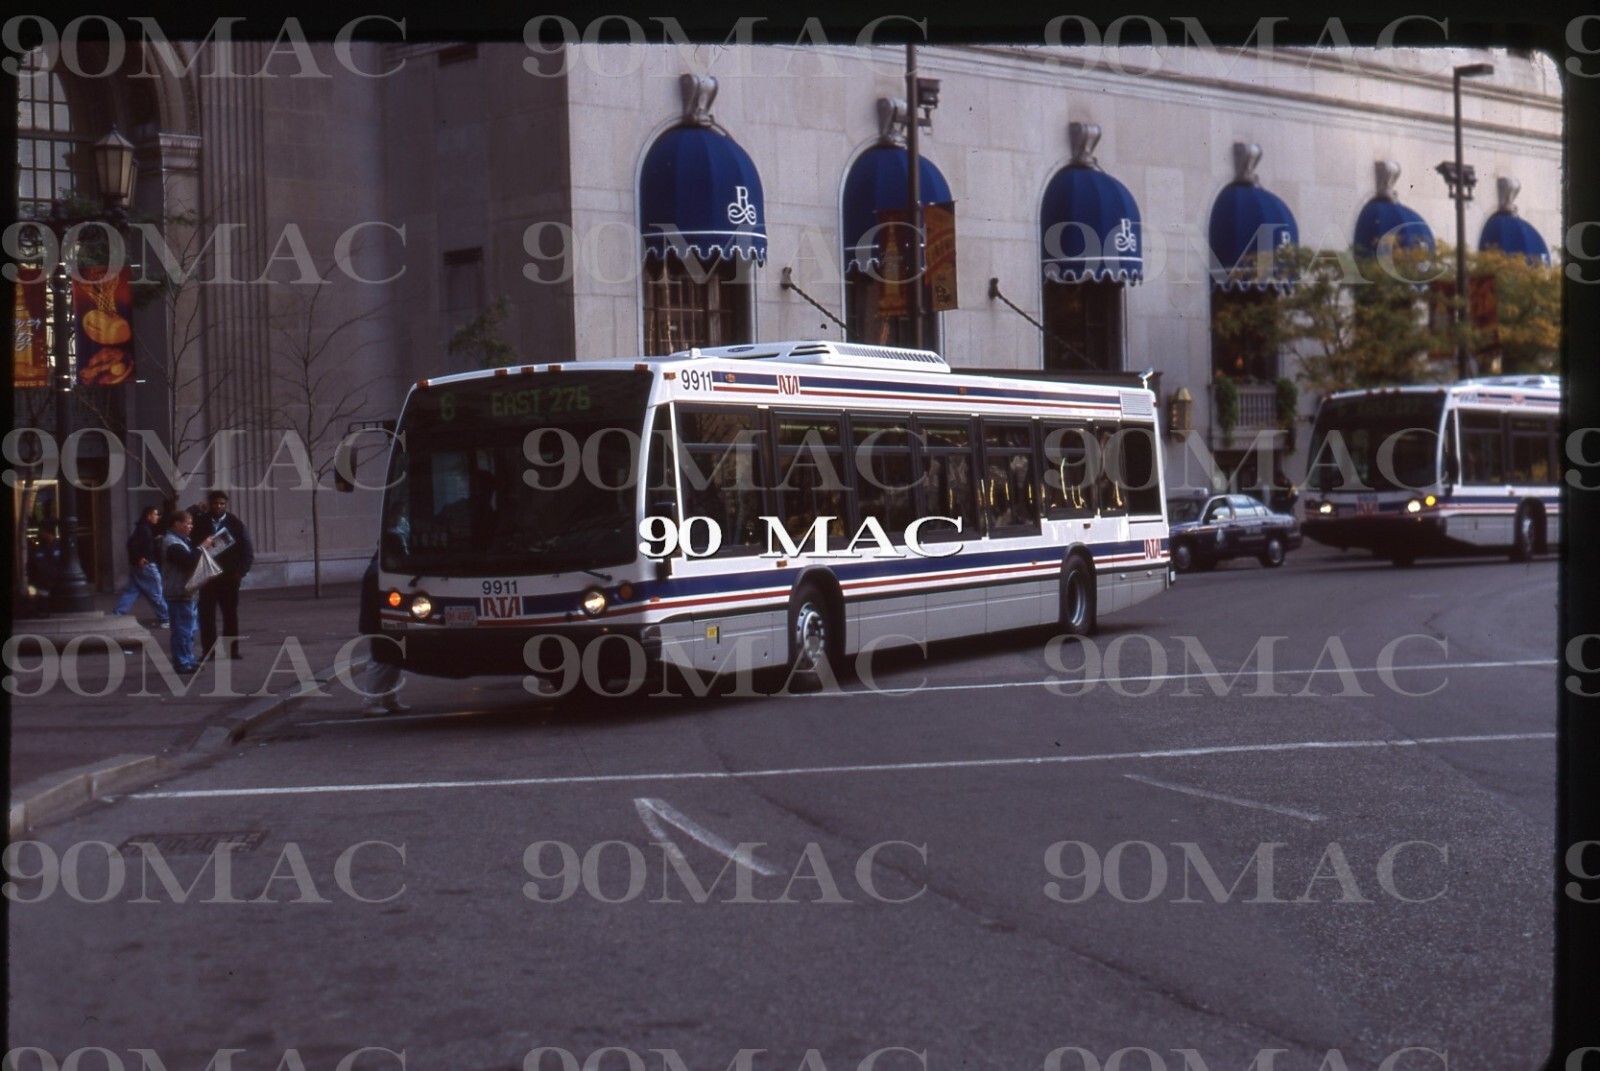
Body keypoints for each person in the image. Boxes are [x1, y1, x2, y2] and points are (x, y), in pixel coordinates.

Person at [193, 490, 254, 659]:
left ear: (226, 505)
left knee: (230, 614)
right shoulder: (200, 522)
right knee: (206, 616)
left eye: (222, 504)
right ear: (209, 504)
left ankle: (232, 651)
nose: (219, 507)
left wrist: (241, 572)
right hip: (208, 577)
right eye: (215, 503)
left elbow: (248, 549)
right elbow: (193, 546)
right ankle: (209, 652)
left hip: (229, 577)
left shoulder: (235, 523)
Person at [354, 552, 409, 714]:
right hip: (379, 624)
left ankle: (388, 699)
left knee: (392, 662)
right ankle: (371, 701)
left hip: (380, 623)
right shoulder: (378, 571)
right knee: (381, 661)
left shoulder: (378, 568)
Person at [160, 510, 214, 673]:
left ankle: (188, 659)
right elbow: (187, 562)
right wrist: (202, 547)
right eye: (188, 524)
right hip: (179, 591)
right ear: (177, 524)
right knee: (182, 629)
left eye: (191, 524)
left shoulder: (180, 541)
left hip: (185, 591)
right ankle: (182, 662)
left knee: (189, 629)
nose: (191, 527)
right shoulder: (172, 543)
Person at [113, 505, 169, 628]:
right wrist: (139, 558)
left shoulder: (144, 528)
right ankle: (166, 617)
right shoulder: (144, 529)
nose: (157, 517)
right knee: (156, 592)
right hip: (147, 565)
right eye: (155, 514)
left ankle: (117, 614)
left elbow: (137, 544)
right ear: (149, 516)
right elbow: (132, 544)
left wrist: (152, 542)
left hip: (139, 566)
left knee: (131, 591)